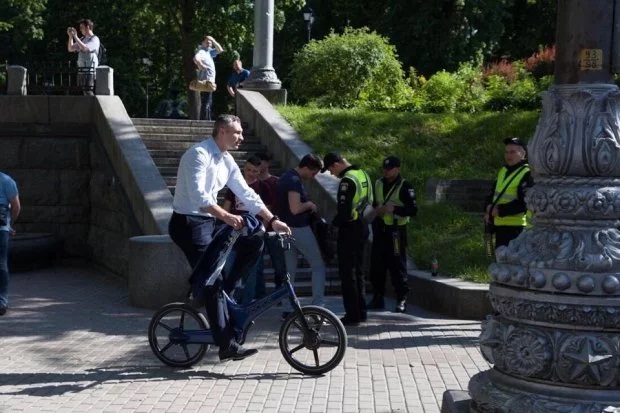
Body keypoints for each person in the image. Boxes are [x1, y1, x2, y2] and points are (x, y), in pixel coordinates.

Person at [168, 114, 291, 361]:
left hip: (210, 221)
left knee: (254, 239)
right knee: (213, 280)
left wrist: (271, 220)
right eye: (237, 132)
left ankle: (227, 292)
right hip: (189, 224)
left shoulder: (227, 160)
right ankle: (226, 345)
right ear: (222, 132)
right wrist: (225, 216)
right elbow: (199, 197)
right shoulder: (198, 155)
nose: (242, 137)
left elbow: (246, 194)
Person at [322, 151, 373, 326]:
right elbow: (371, 201)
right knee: (358, 272)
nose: (331, 173)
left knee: (347, 273)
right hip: (363, 226)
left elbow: (344, 211)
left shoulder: (347, 181)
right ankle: (362, 311)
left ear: (336, 164)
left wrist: (333, 225)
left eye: (330, 169)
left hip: (350, 230)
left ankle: (352, 315)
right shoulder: (362, 174)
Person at [276, 154, 327, 315]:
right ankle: (318, 306)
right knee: (318, 265)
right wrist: (310, 204)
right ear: (306, 168)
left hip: (285, 230)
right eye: (313, 173)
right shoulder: (294, 181)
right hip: (298, 228)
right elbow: (295, 208)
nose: (313, 177)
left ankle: (287, 308)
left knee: (290, 270)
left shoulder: (285, 177)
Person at [367, 156, 417, 313]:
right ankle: (377, 298)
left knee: (397, 266)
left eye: (389, 169)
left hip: (396, 232)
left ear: (398, 169)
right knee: (376, 266)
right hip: (380, 229)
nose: (386, 172)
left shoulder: (405, 186)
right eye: (384, 169)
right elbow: (375, 202)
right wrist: (377, 209)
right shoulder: (378, 183)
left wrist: (394, 209)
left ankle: (401, 299)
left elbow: (413, 210)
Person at [222, 155, 271, 304]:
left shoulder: (263, 188)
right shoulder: (234, 186)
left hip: (253, 234)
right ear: (244, 168)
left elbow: (268, 211)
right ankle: (228, 301)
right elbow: (226, 207)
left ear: (260, 172)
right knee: (229, 268)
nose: (251, 173)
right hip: (234, 233)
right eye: (248, 170)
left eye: (255, 171)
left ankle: (247, 304)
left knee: (252, 271)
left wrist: (262, 231)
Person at [483, 137, 533, 249]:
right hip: (500, 226)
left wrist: (499, 210)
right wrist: (488, 208)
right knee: (500, 260)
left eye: (512, 152)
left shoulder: (527, 173)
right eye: (506, 152)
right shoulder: (503, 171)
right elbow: (493, 194)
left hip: (516, 228)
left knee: (511, 263)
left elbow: (525, 202)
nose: (508, 155)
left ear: (523, 153)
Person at [256, 152, 287, 290]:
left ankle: (280, 292)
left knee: (279, 265)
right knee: (257, 265)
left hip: (274, 230)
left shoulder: (276, 182)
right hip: (257, 229)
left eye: (261, 161)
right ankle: (260, 294)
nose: (259, 164)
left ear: (268, 163)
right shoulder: (252, 183)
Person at [0, 172, 20, 316]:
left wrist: (9, 225)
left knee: (1, 264)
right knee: (1, 264)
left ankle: (2, 301)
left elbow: (16, 205)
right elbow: (16, 206)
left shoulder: (6, 180)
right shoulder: (7, 181)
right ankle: (1, 302)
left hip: (1, 229)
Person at [67, 19, 100, 95]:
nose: (80, 30)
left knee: (88, 90)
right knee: (84, 91)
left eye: (82, 27)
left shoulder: (95, 39)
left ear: (87, 27)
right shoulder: (82, 39)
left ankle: (92, 106)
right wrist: (71, 37)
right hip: (82, 70)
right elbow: (70, 48)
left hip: (90, 71)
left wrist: (75, 37)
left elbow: (85, 48)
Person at [193, 35, 223, 121]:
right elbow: (196, 58)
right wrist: (200, 64)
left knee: (208, 101)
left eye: (210, 43)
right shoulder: (202, 51)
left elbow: (220, 50)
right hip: (206, 80)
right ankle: (205, 120)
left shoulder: (208, 52)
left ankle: (206, 119)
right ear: (202, 43)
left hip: (209, 80)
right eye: (207, 42)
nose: (209, 44)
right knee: (206, 101)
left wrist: (213, 40)